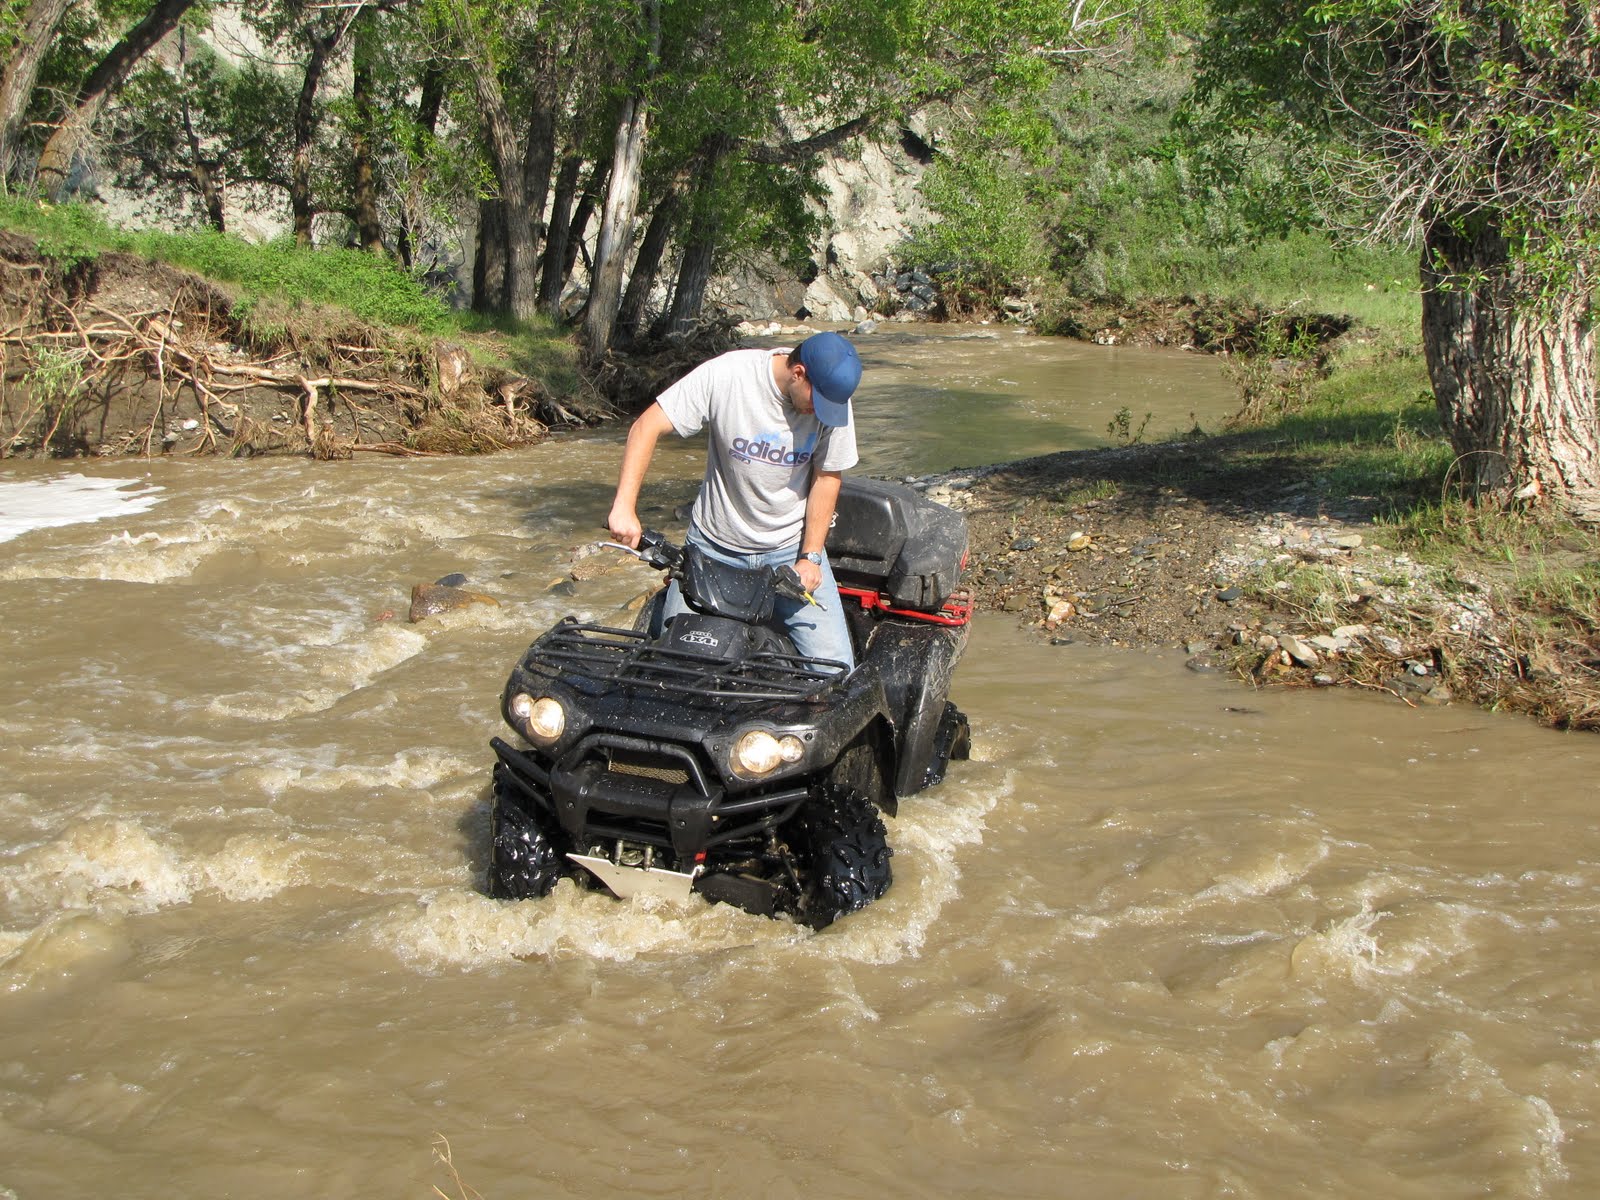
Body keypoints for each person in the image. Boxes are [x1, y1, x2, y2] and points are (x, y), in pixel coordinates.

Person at [607, 330, 863, 670]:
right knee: (671, 665)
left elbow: (827, 477)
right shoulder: (728, 375)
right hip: (713, 550)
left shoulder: (832, 402)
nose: (821, 413)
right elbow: (646, 426)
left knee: (836, 672)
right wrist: (624, 506)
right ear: (798, 373)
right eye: (817, 403)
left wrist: (811, 557)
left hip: (788, 555)